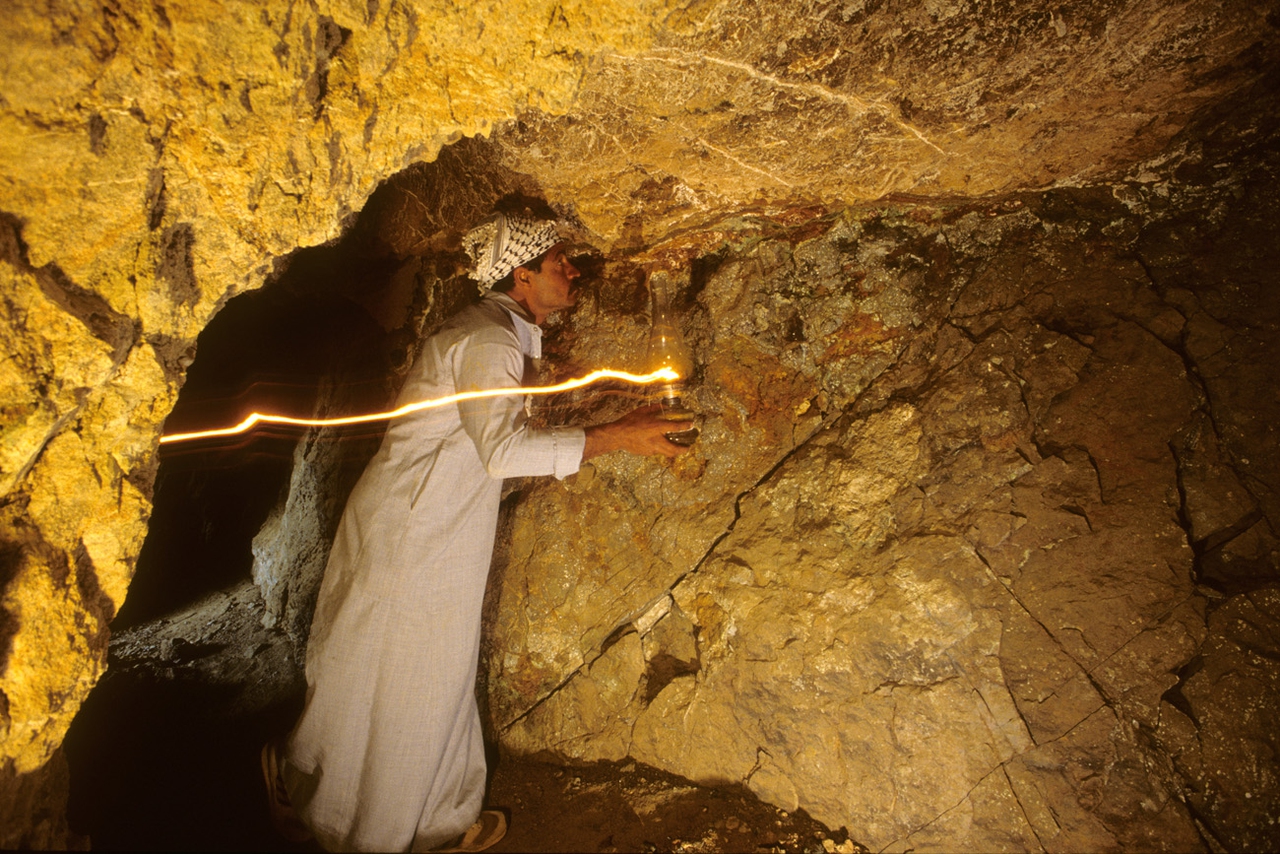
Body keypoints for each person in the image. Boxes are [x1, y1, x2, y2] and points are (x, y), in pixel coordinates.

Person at [261, 211, 684, 852]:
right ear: (521, 274)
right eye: (558, 262)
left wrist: (621, 424)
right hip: (413, 531)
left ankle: (429, 816)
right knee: (406, 676)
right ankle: (362, 830)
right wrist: (623, 437)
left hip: (430, 522)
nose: (573, 272)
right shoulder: (489, 342)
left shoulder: (492, 333)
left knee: (421, 668)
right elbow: (504, 454)